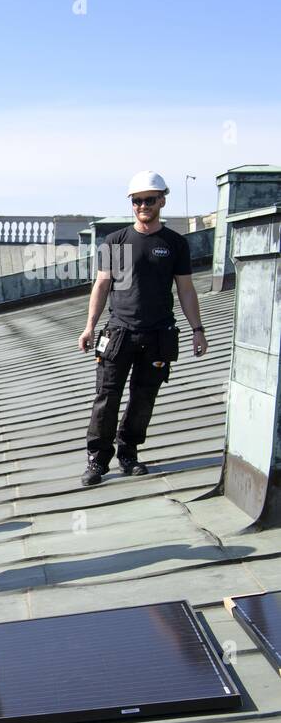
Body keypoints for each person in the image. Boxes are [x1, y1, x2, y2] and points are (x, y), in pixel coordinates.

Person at [78, 170, 208, 486]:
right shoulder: (117, 242)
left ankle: (129, 454)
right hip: (119, 333)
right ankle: (97, 460)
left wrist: (198, 329)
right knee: (106, 397)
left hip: (158, 334)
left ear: (162, 200)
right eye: (137, 201)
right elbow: (102, 286)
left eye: (149, 200)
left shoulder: (174, 244)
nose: (143, 206)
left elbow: (186, 289)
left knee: (143, 398)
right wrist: (89, 327)